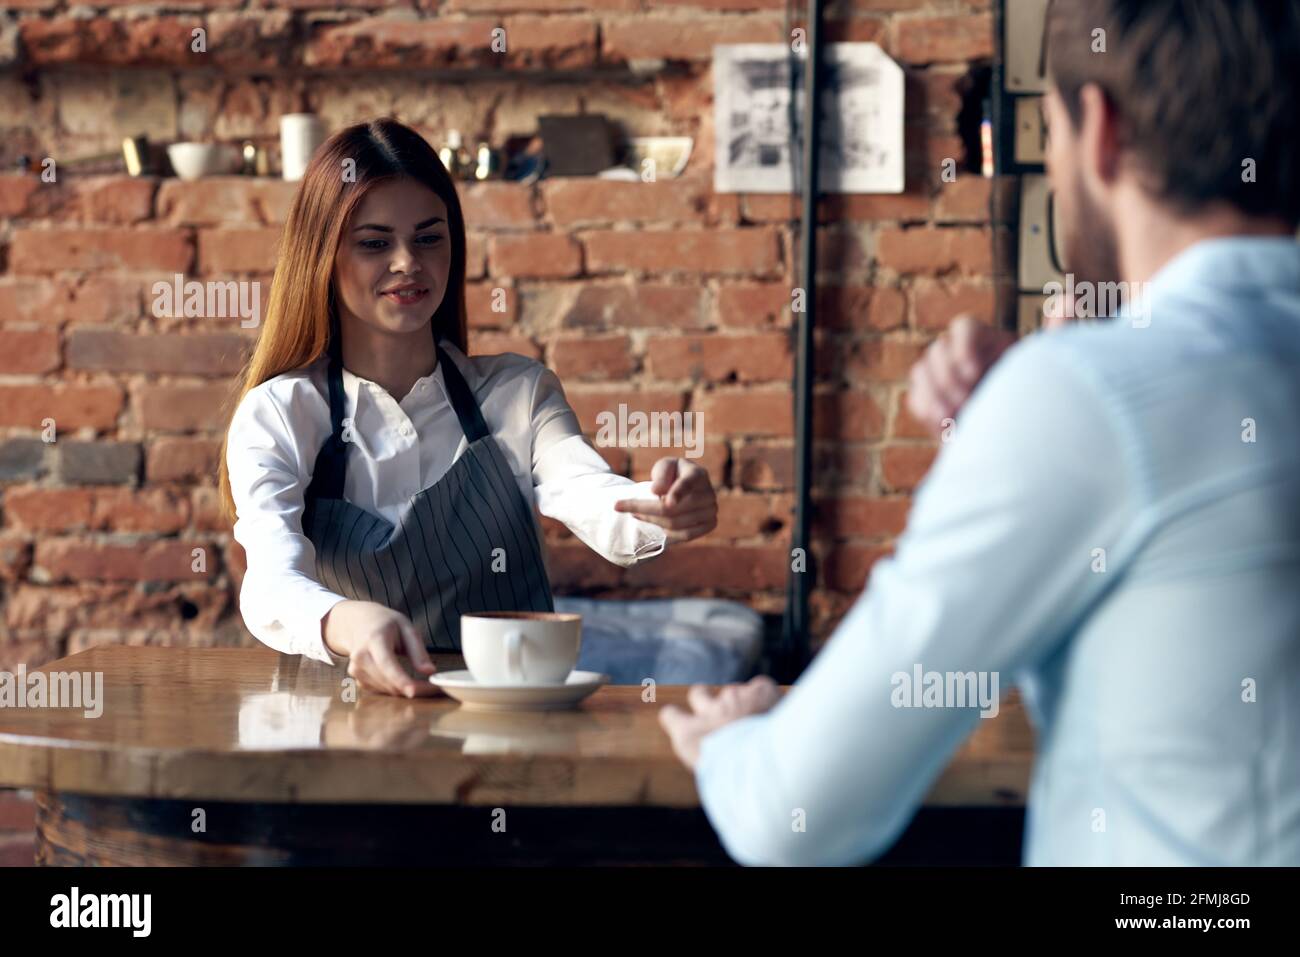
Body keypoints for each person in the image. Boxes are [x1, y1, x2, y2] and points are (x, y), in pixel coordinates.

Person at [660, 0, 1300, 865]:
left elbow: (793, 814)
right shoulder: (1091, 389)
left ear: (1099, 130)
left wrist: (738, 742)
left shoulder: (1086, 396)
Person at [219, 118, 718, 699]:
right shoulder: (281, 412)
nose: (408, 262)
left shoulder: (517, 393)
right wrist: (350, 623)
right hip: (341, 725)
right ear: (321, 258)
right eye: (375, 242)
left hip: (503, 728)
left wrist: (662, 506)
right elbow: (270, 584)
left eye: (429, 238)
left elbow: (588, 491)